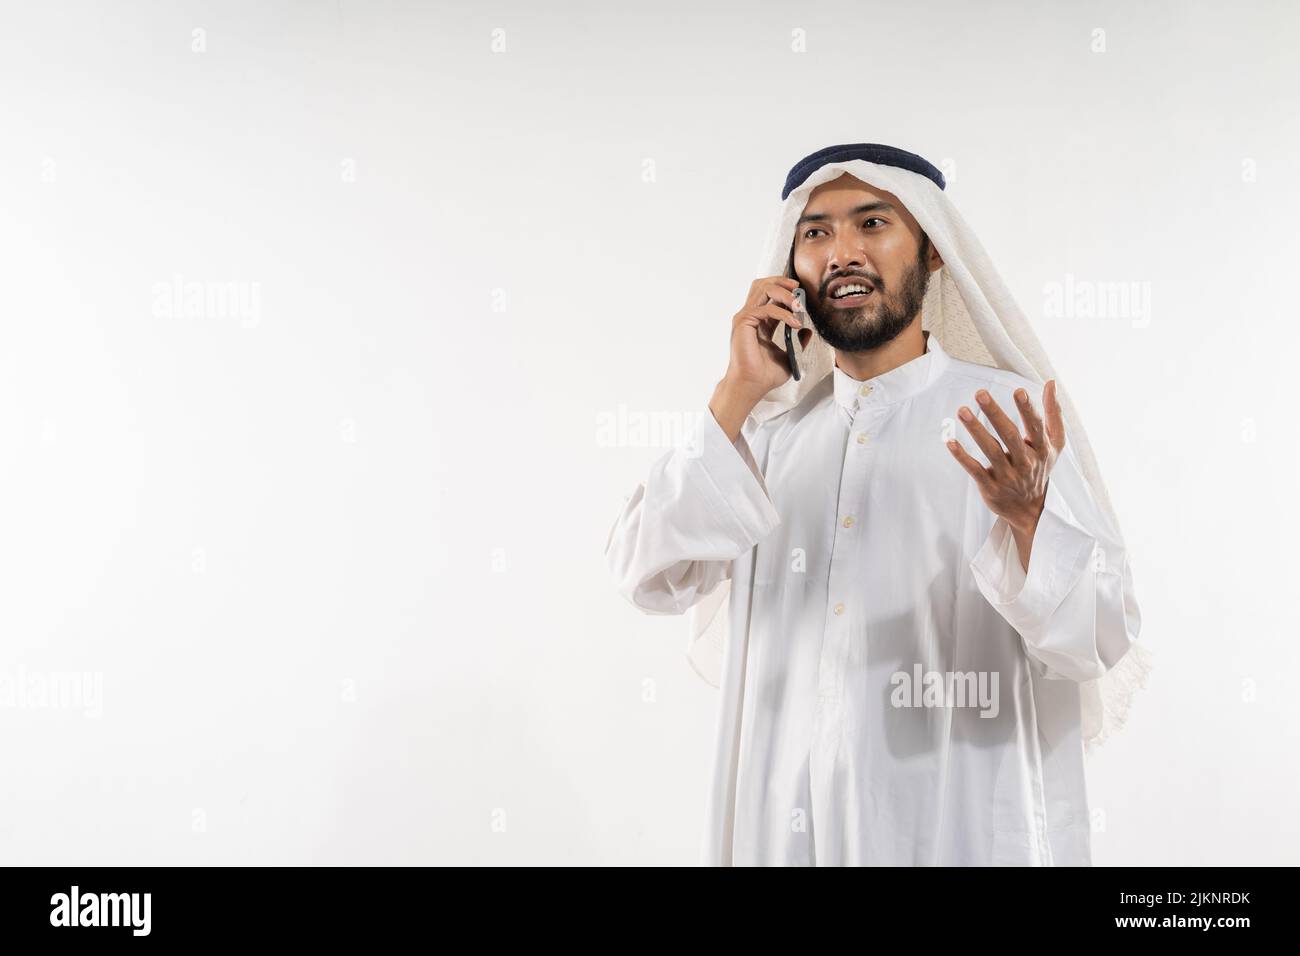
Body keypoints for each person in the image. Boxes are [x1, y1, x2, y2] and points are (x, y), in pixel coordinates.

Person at [603, 143, 1148, 866]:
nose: (842, 253)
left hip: (959, 832)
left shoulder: (1010, 421)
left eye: (872, 223)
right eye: (817, 232)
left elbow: (1097, 642)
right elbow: (645, 574)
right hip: (784, 830)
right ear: (790, 270)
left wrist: (1030, 525)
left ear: (931, 253)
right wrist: (736, 392)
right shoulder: (767, 438)